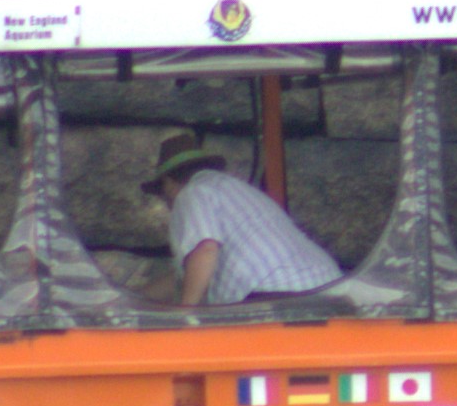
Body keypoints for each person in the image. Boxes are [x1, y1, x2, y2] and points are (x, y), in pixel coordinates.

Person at [148, 128, 347, 305]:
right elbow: (184, 276)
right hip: (329, 290)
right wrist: (133, 297)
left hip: (277, 296)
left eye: (161, 192)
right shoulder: (234, 190)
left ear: (168, 182)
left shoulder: (192, 193)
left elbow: (205, 248)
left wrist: (186, 314)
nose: (166, 203)